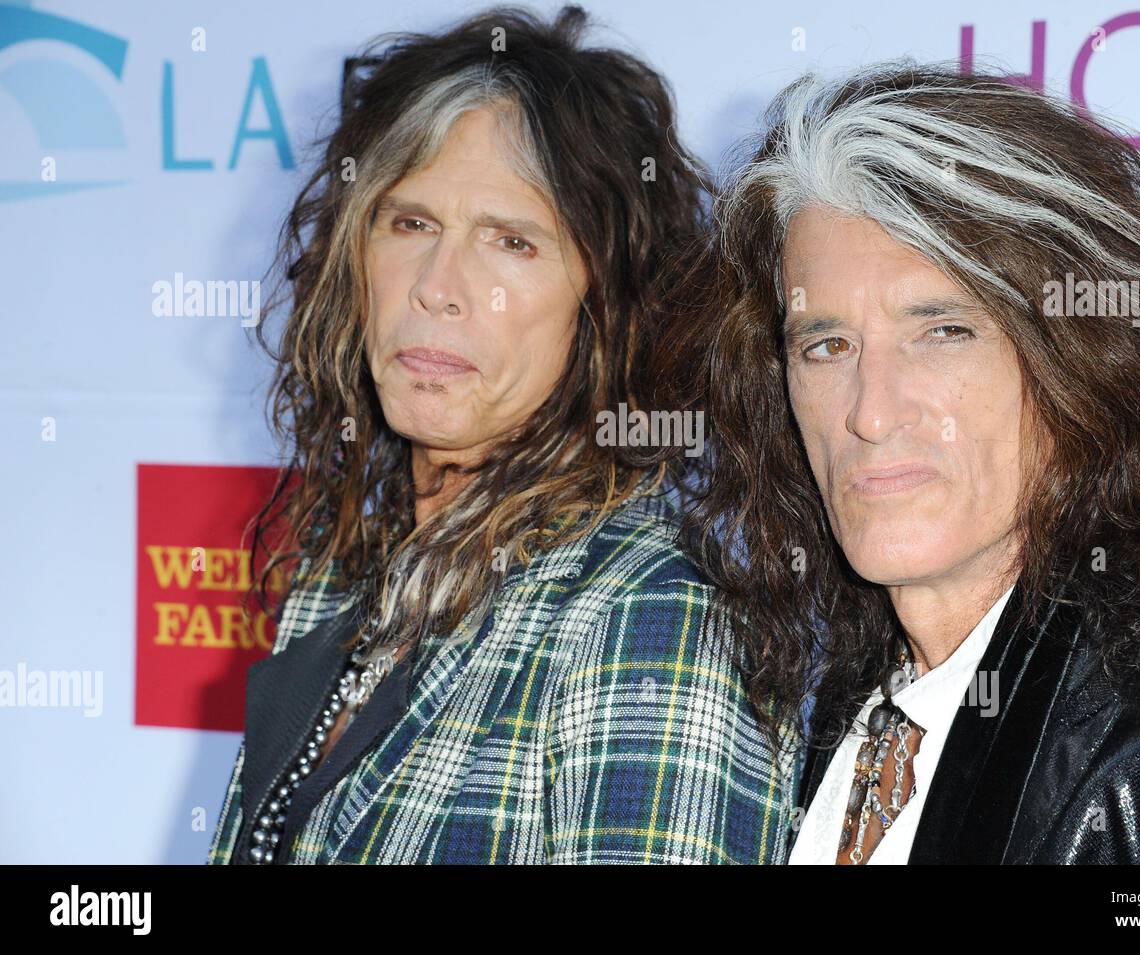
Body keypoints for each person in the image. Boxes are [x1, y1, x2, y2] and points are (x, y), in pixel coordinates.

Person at [652, 64, 1140, 863]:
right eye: (827, 346)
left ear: (1086, 368)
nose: (871, 411)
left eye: (943, 331)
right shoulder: (839, 709)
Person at [207, 5, 799, 865]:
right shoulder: (342, 584)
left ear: (608, 307)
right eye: (410, 224)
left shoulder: (649, 615)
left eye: (512, 242)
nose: (438, 287)